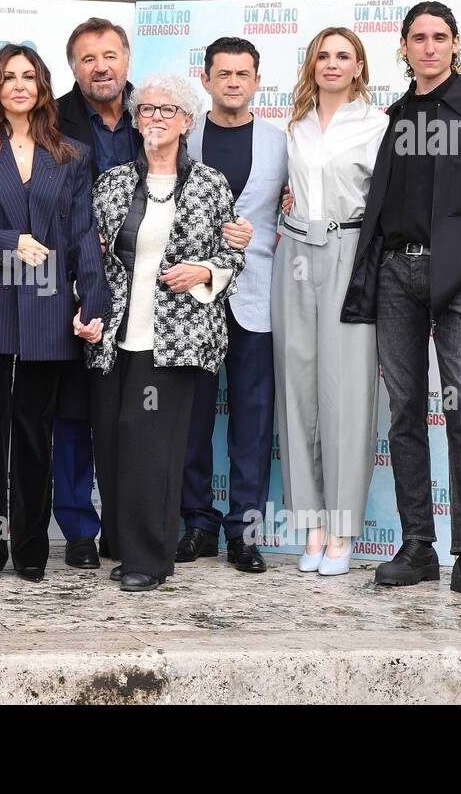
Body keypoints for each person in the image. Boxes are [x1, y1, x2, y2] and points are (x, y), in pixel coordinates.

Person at [343, 1, 461, 606]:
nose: (429, 47)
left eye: (439, 37)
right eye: (418, 38)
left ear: (455, 44)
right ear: (403, 47)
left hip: (460, 280)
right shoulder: (391, 118)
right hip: (397, 273)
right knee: (403, 413)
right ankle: (417, 546)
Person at [0, 43, 109, 583]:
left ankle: (32, 546)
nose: (18, 85)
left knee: (35, 431)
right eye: (8, 77)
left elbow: (83, 236)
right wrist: (9, 241)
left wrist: (95, 303)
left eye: (28, 77)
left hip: (48, 306)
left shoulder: (72, 154)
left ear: (41, 87)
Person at [87, 72, 244, 592]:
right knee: (113, 447)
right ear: (136, 121)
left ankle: (150, 560)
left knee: (153, 448)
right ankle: (128, 546)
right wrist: (82, 309)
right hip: (114, 338)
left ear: (186, 122)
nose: (154, 117)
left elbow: (232, 253)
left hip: (176, 340)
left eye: (166, 110)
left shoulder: (209, 184)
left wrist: (204, 273)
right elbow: (91, 260)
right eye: (146, 110)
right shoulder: (110, 184)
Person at [274, 27, 388, 576]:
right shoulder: (291, 128)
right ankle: (311, 526)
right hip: (294, 247)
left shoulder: (378, 125)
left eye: (344, 56)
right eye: (323, 55)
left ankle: (343, 531)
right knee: (296, 389)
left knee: (346, 392)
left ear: (359, 67)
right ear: (311, 64)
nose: (332, 64)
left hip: (350, 248)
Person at [178, 37, 278, 572]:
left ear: (257, 81)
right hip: (192, 298)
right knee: (191, 416)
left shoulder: (281, 143)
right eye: (224, 73)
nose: (234, 82)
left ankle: (246, 532)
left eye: (244, 74)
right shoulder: (182, 138)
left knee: (253, 418)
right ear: (207, 79)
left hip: (257, 298)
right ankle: (197, 522)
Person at [50, 17, 141, 569]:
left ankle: (127, 528)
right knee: (71, 413)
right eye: (88, 58)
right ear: (74, 68)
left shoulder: (156, 111)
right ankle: (79, 530)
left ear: (126, 60)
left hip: (149, 289)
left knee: (133, 413)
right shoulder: (50, 119)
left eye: (109, 55)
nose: (100, 66)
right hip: (70, 284)